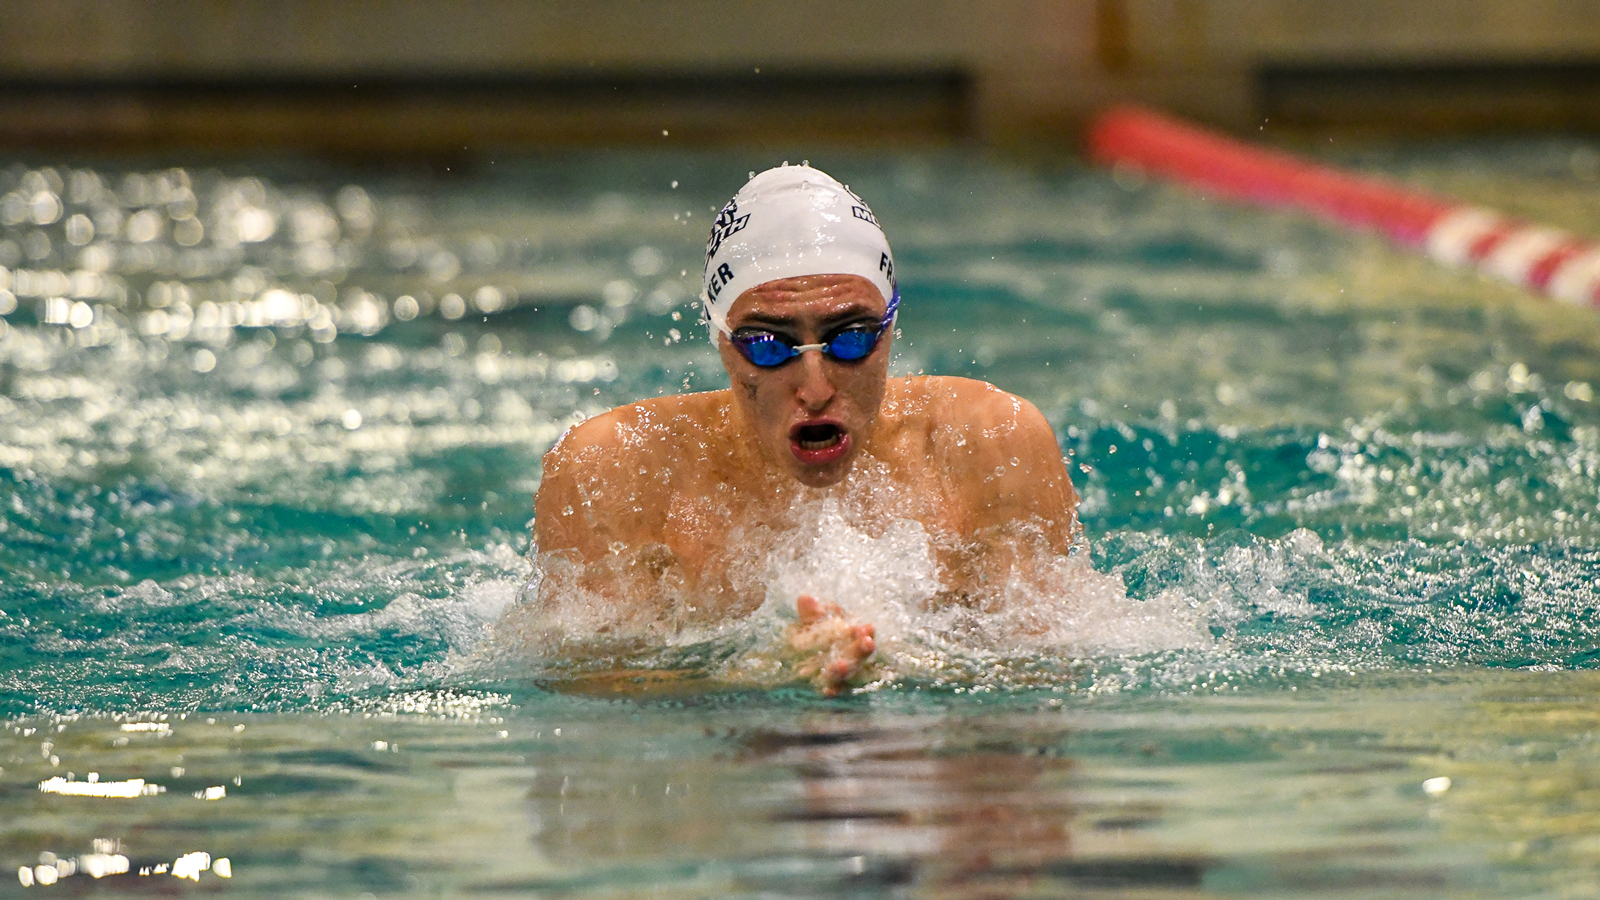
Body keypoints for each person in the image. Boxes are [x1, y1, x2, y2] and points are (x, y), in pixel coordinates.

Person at [525, 164, 1084, 695]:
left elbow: (1044, 680)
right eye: (769, 346)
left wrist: (896, 663)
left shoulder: (991, 441)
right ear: (722, 342)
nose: (815, 388)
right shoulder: (619, 469)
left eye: (851, 338)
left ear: (891, 327)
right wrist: (761, 674)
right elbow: (590, 693)